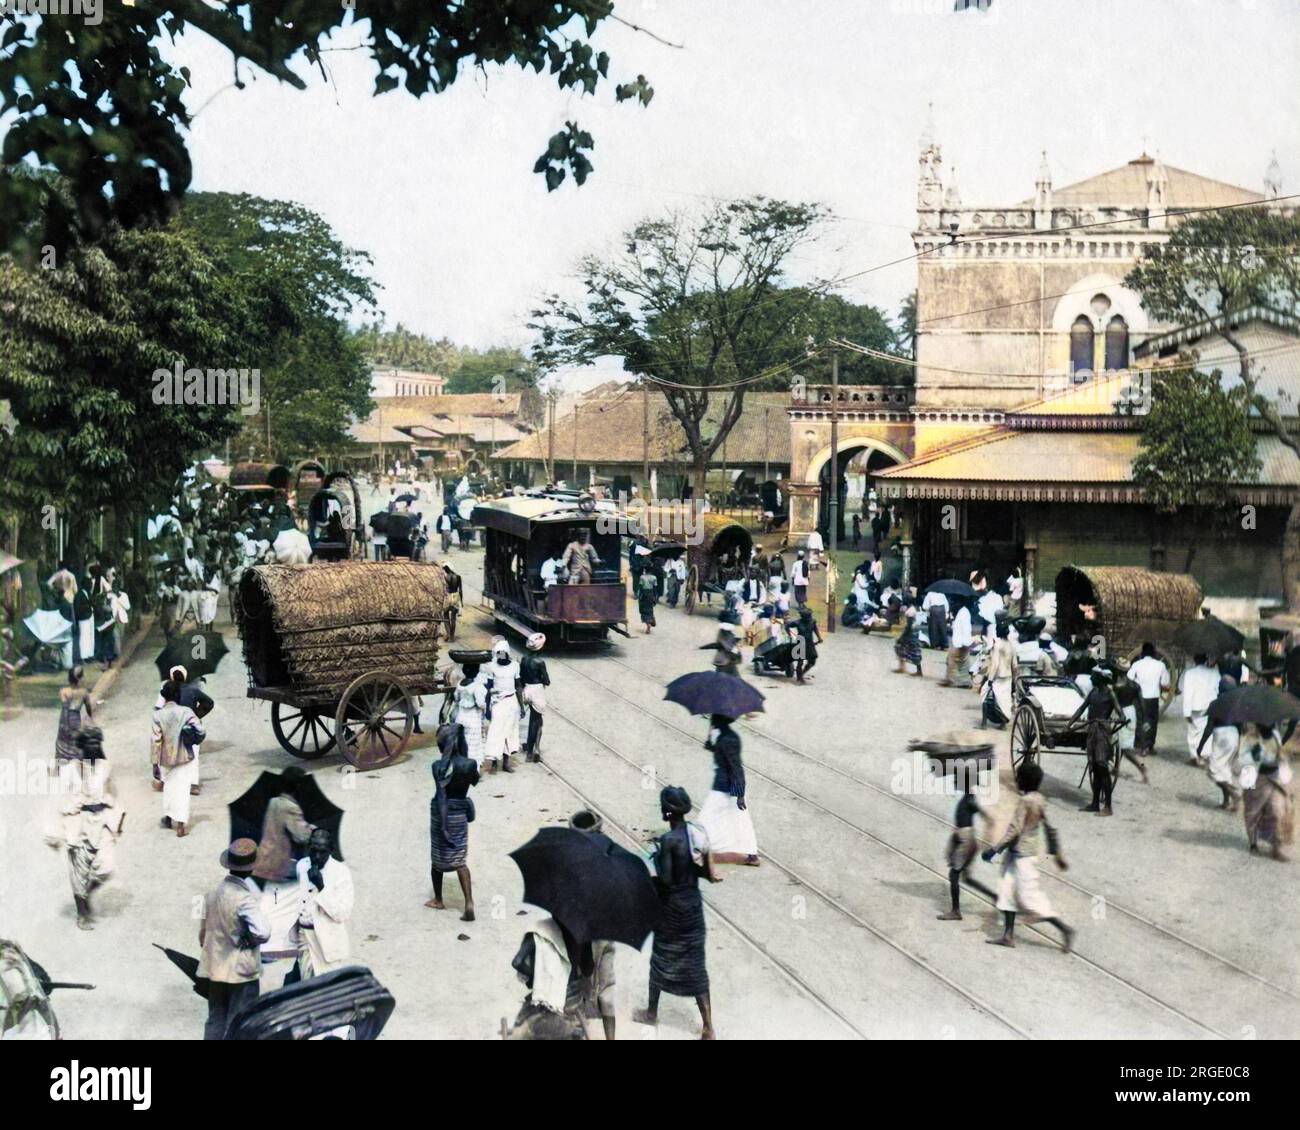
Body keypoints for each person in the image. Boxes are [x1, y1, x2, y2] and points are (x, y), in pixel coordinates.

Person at [634, 786, 718, 1039]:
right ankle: (708, 1026)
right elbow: (706, 873)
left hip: (672, 909)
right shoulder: (696, 834)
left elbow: (667, 881)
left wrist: (656, 860)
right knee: (695, 965)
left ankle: (651, 1013)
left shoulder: (669, 841)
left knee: (661, 958)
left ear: (667, 812)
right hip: (693, 905)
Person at [981, 762, 1074, 952]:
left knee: (1028, 899)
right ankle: (1008, 936)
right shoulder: (1039, 799)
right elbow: (1048, 827)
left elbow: (1014, 830)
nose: (1016, 779)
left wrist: (994, 850)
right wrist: (1056, 853)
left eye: (1019, 776)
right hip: (1020, 853)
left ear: (1024, 780)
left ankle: (1065, 929)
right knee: (1007, 891)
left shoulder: (1025, 802)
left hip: (1022, 855)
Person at [199, 839, 271, 1040]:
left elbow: (202, 936)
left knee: (215, 1018)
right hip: (240, 971)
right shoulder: (244, 899)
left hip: (216, 968)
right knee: (240, 1022)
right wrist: (249, 939)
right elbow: (263, 932)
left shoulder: (212, 894)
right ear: (251, 868)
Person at [45, 762, 122, 931]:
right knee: (78, 872)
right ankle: (82, 913)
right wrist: (54, 833)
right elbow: (55, 801)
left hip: (101, 822)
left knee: (106, 868)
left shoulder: (104, 767)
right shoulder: (67, 771)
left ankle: (86, 893)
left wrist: (117, 820)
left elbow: (113, 794)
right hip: (77, 824)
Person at [568, 810, 618, 1039]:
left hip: (581, 937)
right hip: (605, 932)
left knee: (578, 989)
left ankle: (582, 1032)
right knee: (607, 990)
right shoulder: (608, 859)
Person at [425, 723, 479, 919]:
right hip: (460, 814)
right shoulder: (470, 764)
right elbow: (474, 781)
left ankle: (438, 899)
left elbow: (441, 797)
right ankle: (469, 903)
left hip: (442, 814)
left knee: (437, 859)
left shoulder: (438, 767)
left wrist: (444, 827)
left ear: (442, 746)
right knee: (460, 860)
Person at [697, 715, 758, 865]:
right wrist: (710, 742)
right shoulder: (723, 736)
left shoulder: (728, 739)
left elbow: (736, 768)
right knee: (740, 819)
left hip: (724, 786)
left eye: (714, 718)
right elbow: (719, 752)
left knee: (707, 817)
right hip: (725, 785)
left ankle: (697, 849)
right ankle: (752, 854)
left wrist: (739, 795)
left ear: (721, 720)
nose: (711, 720)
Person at [294, 828, 354, 979]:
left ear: (331, 850)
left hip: (328, 943)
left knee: (330, 989)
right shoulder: (302, 866)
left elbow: (342, 914)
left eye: (323, 852)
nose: (317, 856)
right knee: (306, 984)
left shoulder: (341, 872)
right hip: (304, 939)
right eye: (313, 851)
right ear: (308, 847)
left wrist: (321, 887)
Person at [1066, 666, 1124, 814]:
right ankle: (1094, 804)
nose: (1091, 679)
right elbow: (1082, 708)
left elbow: (1121, 714)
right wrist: (1070, 723)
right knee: (1095, 768)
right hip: (1091, 730)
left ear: (1100, 679)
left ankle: (1108, 807)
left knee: (1102, 766)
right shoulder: (1093, 692)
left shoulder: (1110, 694)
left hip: (1102, 731)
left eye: (1093, 677)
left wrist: (1119, 720)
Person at [152, 681, 203, 837]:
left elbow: (156, 741)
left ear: (164, 697)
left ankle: (168, 818)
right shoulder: (186, 712)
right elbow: (201, 730)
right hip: (184, 755)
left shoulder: (157, 715)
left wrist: (154, 764)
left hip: (165, 758)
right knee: (182, 790)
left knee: (169, 788)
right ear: (178, 695)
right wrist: (193, 739)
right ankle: (181, 825)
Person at [936, 776, 992, 921]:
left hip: (965, 841)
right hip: (964, 839)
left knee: (954, 875)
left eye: (957, 780)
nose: (955, 782)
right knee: (966, 877)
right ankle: (995, 897)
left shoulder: (969, 799)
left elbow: (985, 816)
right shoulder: (969, 797)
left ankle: (956, 911)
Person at [1236, 724, 1293, 861]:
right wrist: (1253, 756)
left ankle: (1276, 847)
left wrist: (1282, 756)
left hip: (1274, 778)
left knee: (1277, 810)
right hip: (1256, 779)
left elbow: (1280, 754)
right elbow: (1241, 759)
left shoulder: (1275, 734)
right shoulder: (1250, 737)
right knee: (1253, 812)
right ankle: (1253, 842)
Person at [156, 665, 213, 796]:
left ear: (171, 677)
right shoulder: (193, 690)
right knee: (194, 755)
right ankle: (193, 785)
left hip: (171, 727)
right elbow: (209, 703)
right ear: (185, 677)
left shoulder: (167, 690)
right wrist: (197, 714)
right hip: (189, 727)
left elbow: (158, 708)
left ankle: (163, 781)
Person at [483, 638, 523, 773]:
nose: (500, 657)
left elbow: (518, 687)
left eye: (502, 654)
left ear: (507, 654)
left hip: (511, 702)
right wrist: (487, 708)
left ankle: (506, 763)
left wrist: (521, 706)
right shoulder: (492, 666)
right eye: (498, 654)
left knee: (510, 732)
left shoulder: (515, 666)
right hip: (497, 703)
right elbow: (488, 688)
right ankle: (494, 762)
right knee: (496, 731)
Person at [54, 666, 94, 796]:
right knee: (79, 748)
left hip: (64, 720)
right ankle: (85, 780)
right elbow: (88, 708)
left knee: (61, 744)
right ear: (80, 678)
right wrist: (91, 718)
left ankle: (57, 769)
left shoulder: (63, 691)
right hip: (75, 720)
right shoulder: (84, 693)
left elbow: (65, 705)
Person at [1128, 642, 1170, 756]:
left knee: (1141, 720)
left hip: (1139, 696)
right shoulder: (1160, 665)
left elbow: (1129, 678)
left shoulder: (1136, 664)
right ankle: (1148, 745)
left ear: (1142, 653)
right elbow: (1165, 683)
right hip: (1152, 697)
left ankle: (1139, 744)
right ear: (1154, 653)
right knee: (1151, 721)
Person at [1181, 654, 1220, 767]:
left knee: (1193, 731)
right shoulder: (1214, 672)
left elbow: (1188, 693)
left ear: (1195, 660)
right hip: (1210, 705)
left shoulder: (1190, 673)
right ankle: (1204, 755)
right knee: (1207, 731)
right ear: (1206, 660)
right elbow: (1218, 689)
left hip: (1195, 706)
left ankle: (1195, 756)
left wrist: (1186, 712)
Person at [519, 633, 550, 762]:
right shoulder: (540, 662)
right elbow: (547, 681)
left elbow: (521, 678)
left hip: (527, 690)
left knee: (536, 720)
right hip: (537, 691)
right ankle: (531, 752)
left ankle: (534, 748)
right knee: (535, 721)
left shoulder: (524, 659)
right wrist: (542, 680)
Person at [978, 620, 1016, 726]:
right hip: (1008, 676)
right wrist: (1014, 678)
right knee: (1004, 701)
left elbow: (995, 664)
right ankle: (1003, 724)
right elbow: (1015, 665)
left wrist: (990, 679)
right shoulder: (1012, 646)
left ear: (998, 631)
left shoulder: (997, 645)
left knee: (985, 695)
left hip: (998, 676)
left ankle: (983, 724)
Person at [941, 599, 973, 687]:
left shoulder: (964, 613)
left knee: (952, 660)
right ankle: (963, 681)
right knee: (962, 662)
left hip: (961, 642)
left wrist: (964, 643)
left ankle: (951, 679)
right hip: (961, 642)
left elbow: (966, 629)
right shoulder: (961, 612)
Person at [894, 602, 924, 677]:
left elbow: (909, 626)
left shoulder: (910, 611)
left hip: (911, 634)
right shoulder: (912, 609)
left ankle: (918, 671)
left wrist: (902, 637)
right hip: (912, 633)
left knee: (912, 651)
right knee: (907, 650)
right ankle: (902, 667)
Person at [793, 606, 822, 684]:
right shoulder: (797, 622)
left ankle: (802, 674)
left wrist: (819, 637)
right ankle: (799, 678)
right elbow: (787, 625)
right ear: (803, 617)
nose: (810, 617)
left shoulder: (812, 621)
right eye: (808, 616)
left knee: (812, 660)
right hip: (800, 643)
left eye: (810, 616)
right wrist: (789, 635)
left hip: (809, 644)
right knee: (800, 662)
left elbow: (815, 628)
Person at [636, 567, 658, 634]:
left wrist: (639, 596)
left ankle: (648, 623)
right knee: (650, 608)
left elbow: (640, 587)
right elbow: (655, 588)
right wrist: (655, 597)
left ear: (645, 570)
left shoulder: (642, 577)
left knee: (643, 610)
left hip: (644, 594)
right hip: (651, 594)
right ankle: (651, 619)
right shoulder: (654, 577)